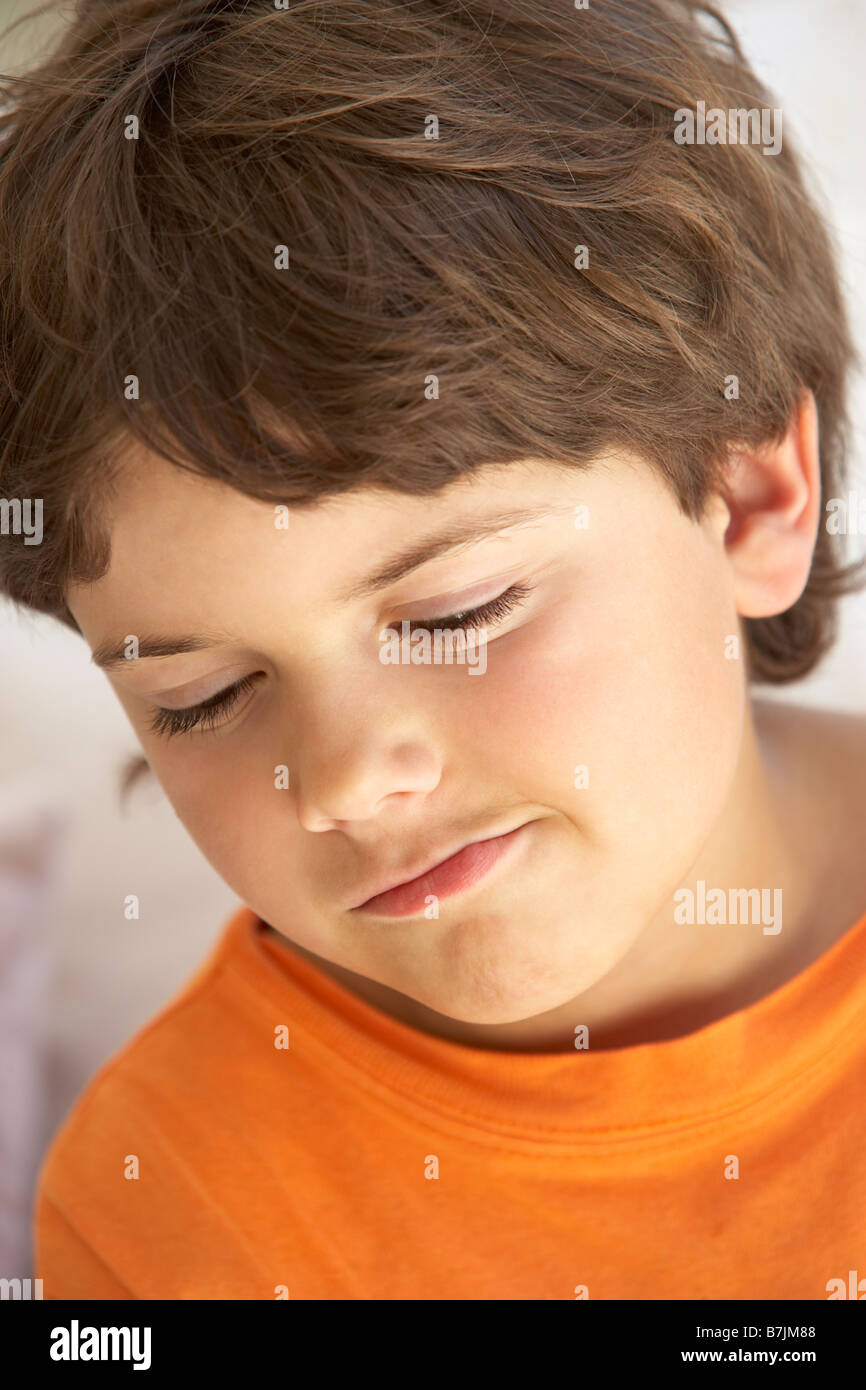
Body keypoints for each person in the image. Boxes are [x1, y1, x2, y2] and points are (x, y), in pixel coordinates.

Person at [1, 0, 864, 1299]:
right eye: (203, 697)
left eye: (455, 613)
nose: (344, 780)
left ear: (746, 498)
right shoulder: (167, 1207)